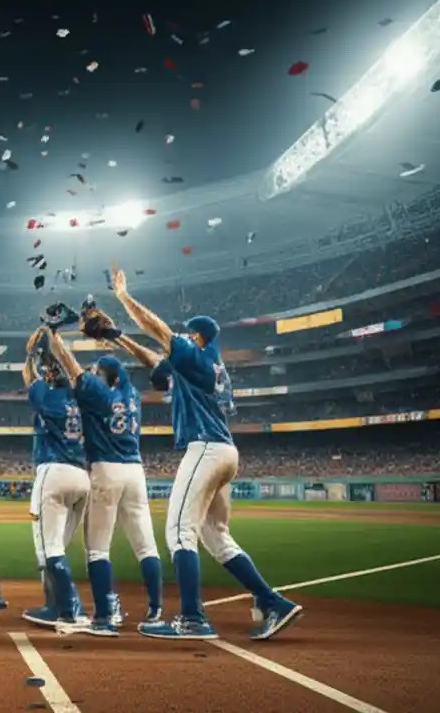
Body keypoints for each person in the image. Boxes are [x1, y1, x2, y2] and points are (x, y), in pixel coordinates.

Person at [110, 267, 302, 641]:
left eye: (187, 333)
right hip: (226, 451)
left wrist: (122, 297)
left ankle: (192, 618)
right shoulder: (208, 362)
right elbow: (157, 361)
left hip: (206, 447)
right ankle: (272, 601)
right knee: (216, 535)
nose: (181, 337)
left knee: (180, 531)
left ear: (196, 336)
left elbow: (160, 333)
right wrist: (118, 338)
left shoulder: (195, 356)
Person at [45, 328, 163, 637]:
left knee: (97, 549)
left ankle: (103, 616)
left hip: (106, 469)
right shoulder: (133, 395)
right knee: (146, 545)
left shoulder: (100, 392)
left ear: (107, 378)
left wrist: (54, 339)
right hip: (135, 471)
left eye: (98, 372)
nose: (93, 375)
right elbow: (111, 374)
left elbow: (72, 368)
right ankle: (156, 610)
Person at [22, 327, 89, 629]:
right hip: (81, 475)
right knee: (58, 546)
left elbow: (28, 378)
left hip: (54, 471)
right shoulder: (80, 398)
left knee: (49, 548)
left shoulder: (47, 396)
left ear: (51, 376)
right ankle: (58, 602)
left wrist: (31, 355)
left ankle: (66, 610)